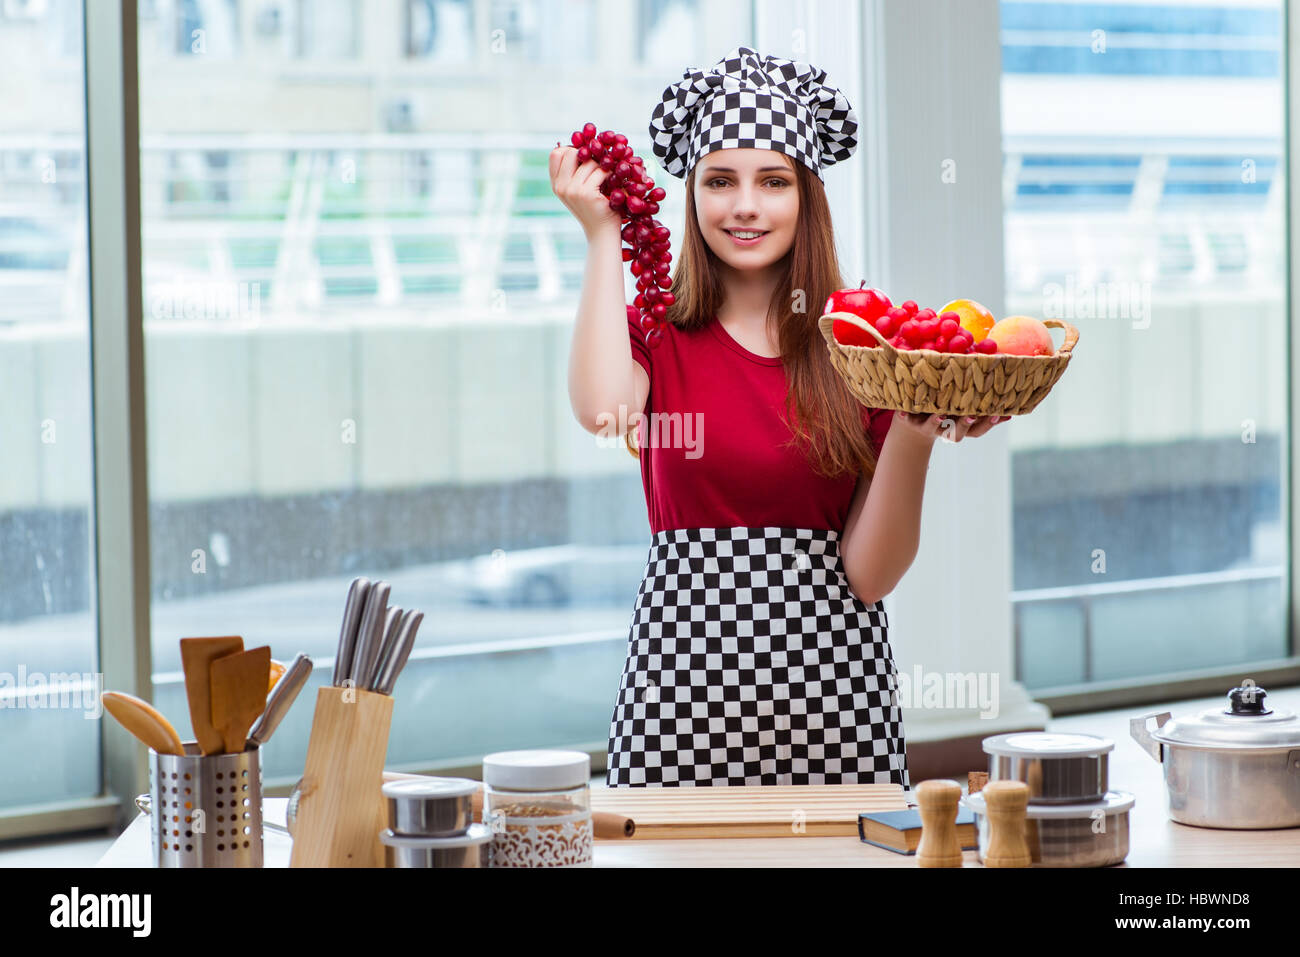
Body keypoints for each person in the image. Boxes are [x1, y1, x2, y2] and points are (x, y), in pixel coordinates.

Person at [550, 46, 1004, 788]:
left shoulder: (865, 348)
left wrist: (917, 434)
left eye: (774, 181)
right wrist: (603, 235)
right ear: (692, 194)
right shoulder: (658, 333)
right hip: (676, 705)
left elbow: (869, 574)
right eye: (720, 180)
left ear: (807, 198)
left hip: (835, 705)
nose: (746, 206)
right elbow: (604, 412)